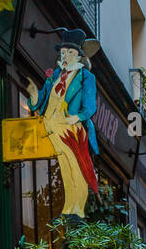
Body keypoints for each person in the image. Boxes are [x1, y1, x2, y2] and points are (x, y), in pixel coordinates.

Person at [27, 28, 100, 217]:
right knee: (65, 166)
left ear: (78, 55)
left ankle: (78, 209)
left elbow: (90, 105)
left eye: (70, 52)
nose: (65, 56)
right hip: (52, 125)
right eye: (63, 52)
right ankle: (69, 207)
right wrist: (34, 95)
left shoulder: (85, 77)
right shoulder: (54, 76)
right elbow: (40, 100)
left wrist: (78, 117)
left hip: (71, 128)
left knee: (76, 166)